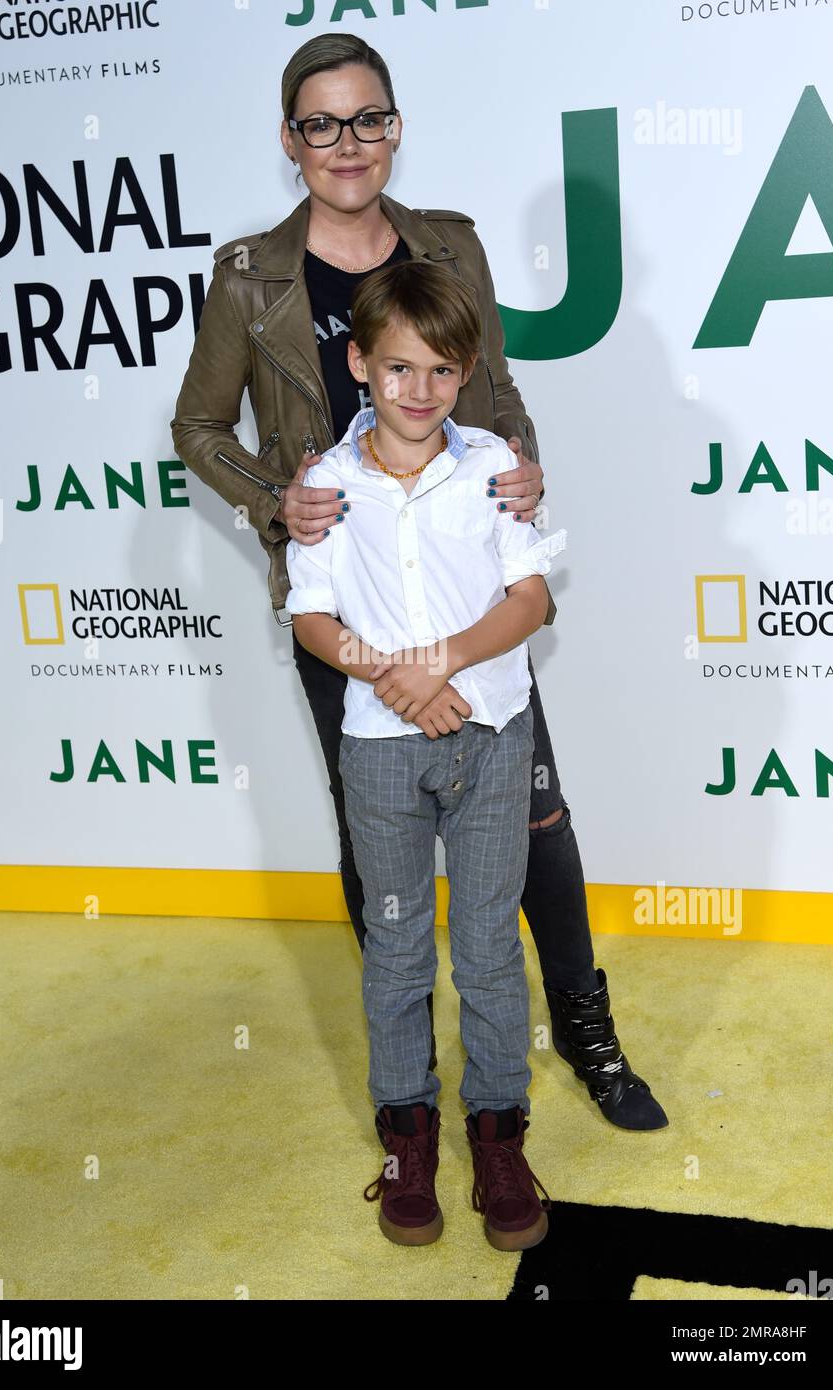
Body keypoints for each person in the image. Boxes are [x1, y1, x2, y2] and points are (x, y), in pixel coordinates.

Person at [170, 32, 666, 1132]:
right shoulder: (251, 278)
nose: (348, 143)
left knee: (537, 822)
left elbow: (495, 386)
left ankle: (585, 1034)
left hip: (472, 597)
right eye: (321, 124)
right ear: (290, 140)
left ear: (393, 126)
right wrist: (273, 499)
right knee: (376, 840)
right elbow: (198, 425)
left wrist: (522, 466)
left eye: (368, 119)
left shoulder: (450, 245)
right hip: (341, 603)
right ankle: (411, 1095)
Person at [286, 258, 552, 1249]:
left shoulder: (494, 466)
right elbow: (309, 612)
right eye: (397, 369)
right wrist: (387, 675)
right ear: (359, 362)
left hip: (488, 735)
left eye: (441, 372)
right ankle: (406, 1135)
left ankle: (498, 1135)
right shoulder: (324, 482)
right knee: (396, 952)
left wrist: (434, 663)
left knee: (486, 952)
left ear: (465, 371)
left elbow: (530, 600)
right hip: (381, 754)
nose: (418, 391)